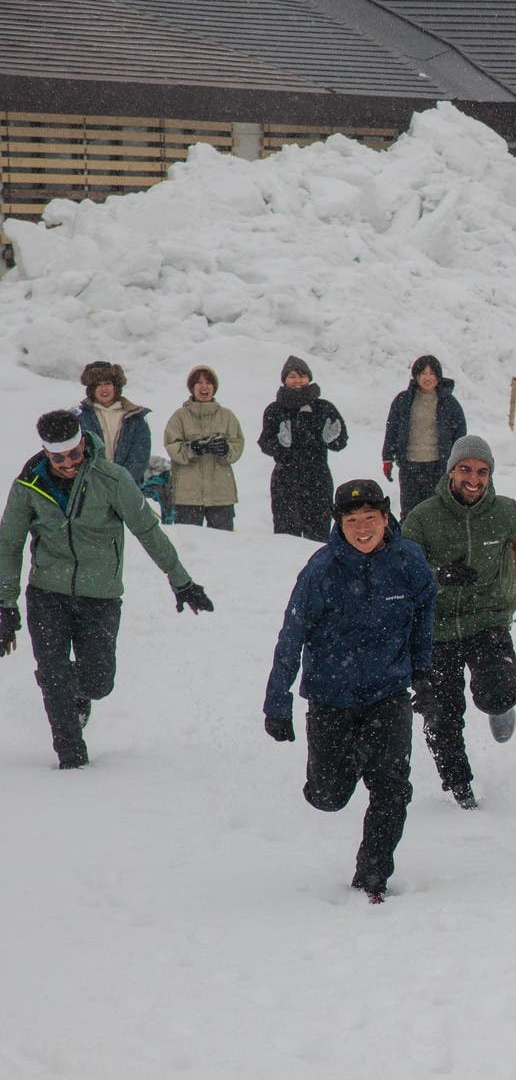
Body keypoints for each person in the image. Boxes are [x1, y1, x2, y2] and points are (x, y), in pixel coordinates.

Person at [1, 410, 213, 769]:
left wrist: (181, 582)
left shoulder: (111, 479)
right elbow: (9, 545)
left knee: (98, 681)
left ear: (83, 443)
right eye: (58, 457)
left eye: (74, 453)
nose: (68, 463)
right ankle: (71, 758)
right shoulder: (28, 486)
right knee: (53, 674)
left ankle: (76, 690)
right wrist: (5, 605)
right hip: (46, 593)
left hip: (99, 596)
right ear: (46, 452)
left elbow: (147, 529)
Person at [264, 480, 436, 903]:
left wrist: (425, 674)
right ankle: (354, 756)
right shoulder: (320, 570)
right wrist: (277, 702)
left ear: (385, 518)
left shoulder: (409, 561)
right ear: (338, 523)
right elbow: (292, 635)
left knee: (393, 788)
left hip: (388, 693)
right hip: (331, 697)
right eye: (352, 521)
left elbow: (424, 620)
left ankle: (373, 876)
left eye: (370, 520)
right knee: (328, 796)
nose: (362, 529)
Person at [402, 435, 516, 809]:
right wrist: (438, 574)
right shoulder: (424, 517)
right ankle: (460, 788)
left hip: (488, 620)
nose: (474, 478)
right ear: (451, 471)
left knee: (497, 693)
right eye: (466, 469)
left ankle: (499, 705)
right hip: (436, 629)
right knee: (440, 714)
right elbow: (402, 569)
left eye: (482, 472)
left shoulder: (505, 512)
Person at [258, 355, 347, 541]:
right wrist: (281, 445)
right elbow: (265, 443)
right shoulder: (274, 410)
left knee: (318, 535)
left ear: (309, 378)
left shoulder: (324, 407)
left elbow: (341, 441)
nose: (297, 380)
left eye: (302, 375)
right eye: (292, 376)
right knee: (286, 535)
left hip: (318, 478)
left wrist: (332, 438)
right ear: (284, 380)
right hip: (286, 480)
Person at [381, 354, 469, 519]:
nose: (427, 378)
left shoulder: (449, 403)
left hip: (438, 466)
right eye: (423, 373)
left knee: (436, 511)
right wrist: (387, 458)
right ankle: (409, 543)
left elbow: (460, 434)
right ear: (416, 376)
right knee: (409, 512)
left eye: (432, 373)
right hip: (409, 466)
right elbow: (391, 429)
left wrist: (458, 461)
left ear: (438, 376)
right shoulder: (403, 400)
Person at [164, 365, 245, 530]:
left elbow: (238, 444)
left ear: (214, 387)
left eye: (208, 382)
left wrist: (226, 449)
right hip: (187, 497)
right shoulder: (179, 416)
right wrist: (193, 448)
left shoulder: (227, 416)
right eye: (199, 383)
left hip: (221, 496)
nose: (204, 387)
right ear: (192, 387)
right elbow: (172, 446)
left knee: (224, 545)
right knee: (189, 546)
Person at [77, 361, 151, 487]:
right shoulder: (80, 416)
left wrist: (123, 480)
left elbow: (140, 454)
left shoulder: (134, 416)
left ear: (115, 386)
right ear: (91, 389)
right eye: (98, 385)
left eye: (108, 383)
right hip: (91, 486)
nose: (104, 388)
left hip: (127, 486)